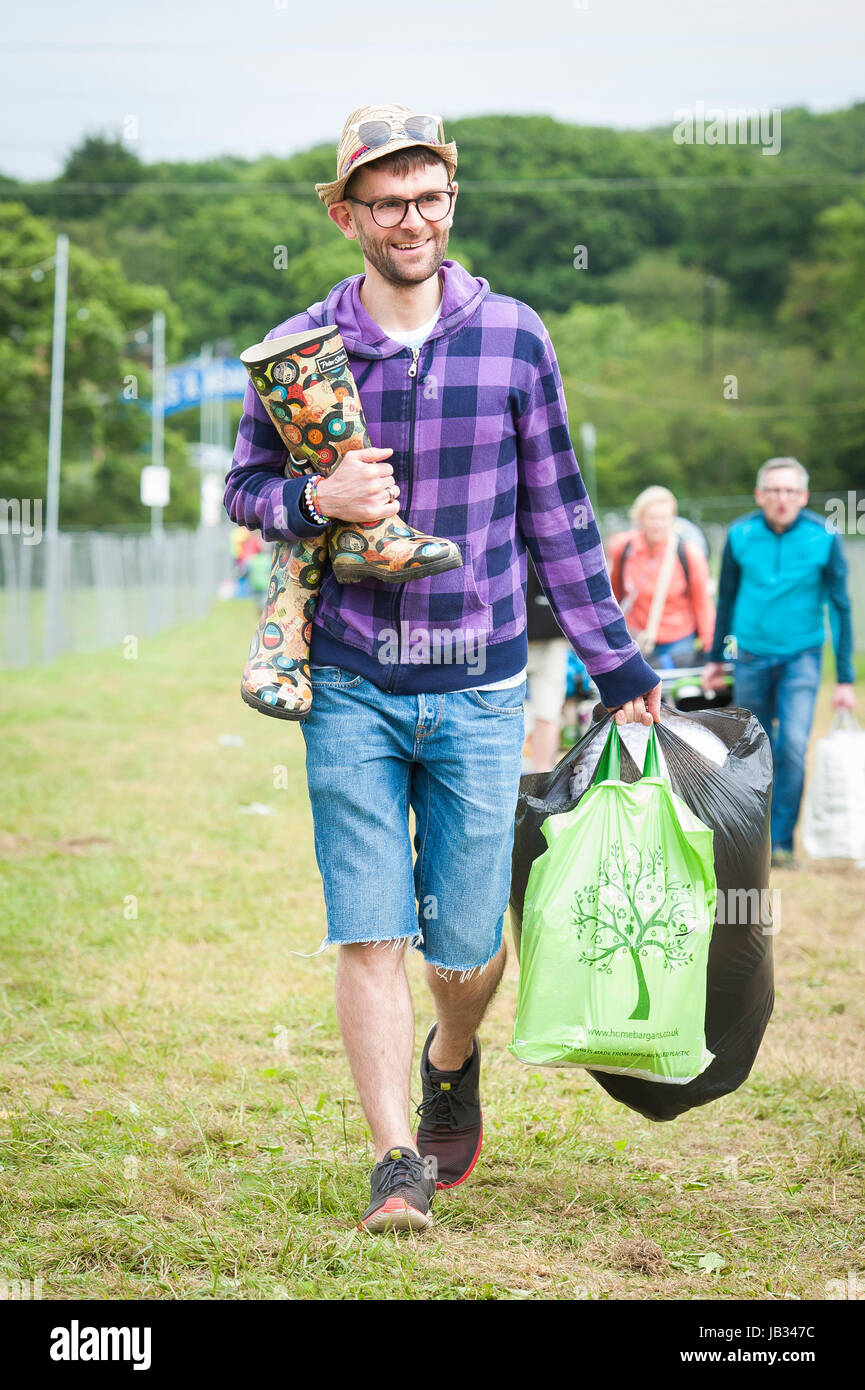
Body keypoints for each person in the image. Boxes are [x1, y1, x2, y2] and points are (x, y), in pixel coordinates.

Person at [224, 103, 661, 1234]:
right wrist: (316, 496)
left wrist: (618, 664)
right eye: (385, 202)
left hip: (477, 686)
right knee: (368, 927)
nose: (411, 219)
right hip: (354, 682)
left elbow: (561, 515)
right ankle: (393, 1161)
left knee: (463, 948)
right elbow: (243, 490)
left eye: (429, 198)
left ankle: (451, 1053)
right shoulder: (298, 352)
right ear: (344, 214)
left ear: (450, 201)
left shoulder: (514, 336)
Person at [701, 457, 855, 866]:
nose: (781, 498)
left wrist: (844, 678)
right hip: (750, 657)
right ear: (760, 495)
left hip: (802, 658)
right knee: (750, 750)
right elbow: (727, 600)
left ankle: (782, 843)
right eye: (774, 490)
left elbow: (841, 607)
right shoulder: (740, 534)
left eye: (790, 491)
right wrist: (719, 657)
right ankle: (751, 840)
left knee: (791, 747)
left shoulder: (824, 536)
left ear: (803, 496)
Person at [607, 486, 716, 668]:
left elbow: (702, 603)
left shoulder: (688, 553)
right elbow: (615, 594)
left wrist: (710, 648)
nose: (657, 524)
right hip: (636, 640)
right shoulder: (623, 548)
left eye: (663, 518)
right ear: (640, 519)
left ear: (672, 519)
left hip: (678, 643)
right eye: (651, 518)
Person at [523, 553, 570, 772]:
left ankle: (542, 775)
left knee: (547, 712)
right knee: (544, 712)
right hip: (514, 636)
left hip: (545, 637)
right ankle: (539, 776)